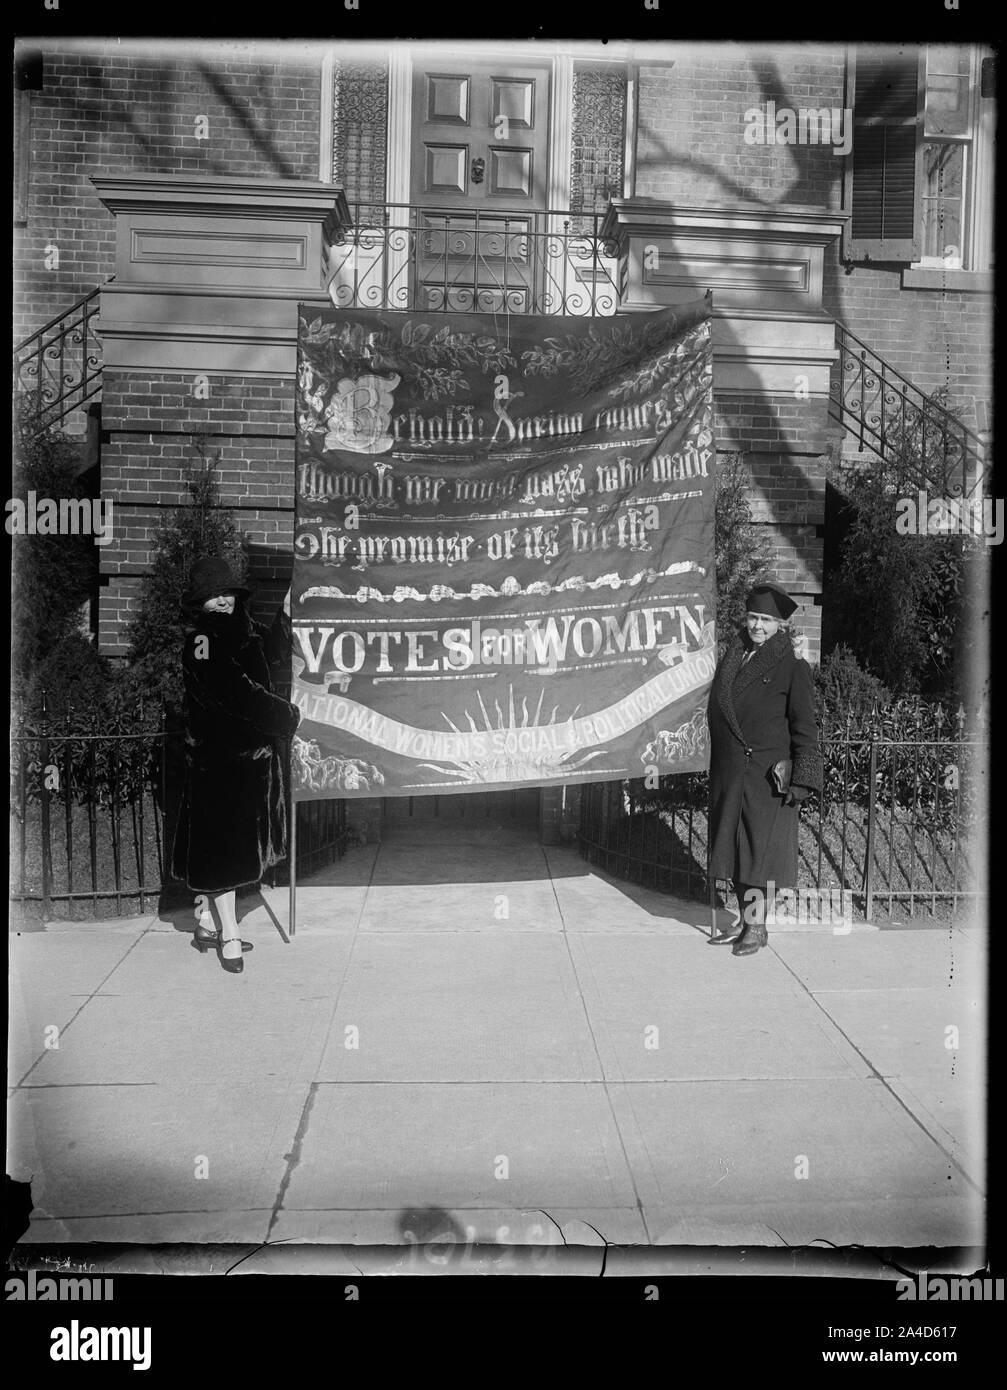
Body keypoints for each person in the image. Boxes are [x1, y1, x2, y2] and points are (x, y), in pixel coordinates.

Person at [172, 557, 300, 974]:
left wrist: (288, 613)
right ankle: (229, 937)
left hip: (252, 764)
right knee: (227, 856)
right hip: (219, 765)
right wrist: (286, 716)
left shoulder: (243, 630)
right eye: (213, 595)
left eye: (227, 593)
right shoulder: (200, 643)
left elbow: (274, 652)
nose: (223, 600)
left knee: (242, 852)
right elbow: (237, 694)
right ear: (201, 603)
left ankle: (208, 921)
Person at [706, 581, 822, 956]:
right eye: (754, 617)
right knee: (737, 851)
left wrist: (801, 776)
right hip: (732, 773)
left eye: (766, 620)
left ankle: (756, 927)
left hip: (768, 775)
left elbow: (805, 727)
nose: (757, 626)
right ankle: (744, 921)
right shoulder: (733, 657)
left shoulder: (792, 668)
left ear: (779, 626)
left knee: (758, 854)